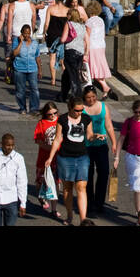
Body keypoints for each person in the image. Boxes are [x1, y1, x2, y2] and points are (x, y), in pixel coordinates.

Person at [46, 96, 92, 225]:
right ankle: (70, 215)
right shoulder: (62, 119)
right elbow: (57, 139)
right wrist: (50, 157)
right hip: (66, 157)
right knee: (67, 188)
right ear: (70, 108)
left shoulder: (86, 119)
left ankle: (83, 219)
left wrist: (94, 136)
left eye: (81, 110)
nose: (79, 113)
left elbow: (89, 135)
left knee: (81, 187)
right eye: (77, 110)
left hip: (82, 157)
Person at [81, 84, 117, 216]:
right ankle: (90, 203)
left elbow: (108, 125)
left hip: (101, 145)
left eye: (93, 97)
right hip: (86, 146)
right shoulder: (82, 108)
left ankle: (99, 203)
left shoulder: (103, 107)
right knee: (88, 175)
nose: (91, 100)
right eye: (88, 97)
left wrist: (113, 143)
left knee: (103, 172)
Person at [10, 24, 43, 115]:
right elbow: (14, 54)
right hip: (20, 69)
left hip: (32, 69)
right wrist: (20, 42)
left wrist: (40, 70)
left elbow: (37, 57)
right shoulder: (16, 41)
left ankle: (34, 108)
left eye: (28, 33)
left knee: (34, 89)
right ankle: (22, 108)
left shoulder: (35, 43)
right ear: (21, 33)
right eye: (25, 33)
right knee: (20, 90)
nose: (27, 35)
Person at [84, 0, 111, 97]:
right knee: (99, 66)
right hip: (101, 45)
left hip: (93, 46)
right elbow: (103, 34)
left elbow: (87, 36)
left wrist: (85, 51)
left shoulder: (89, 22)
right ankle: (105, 88)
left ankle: (105, 87)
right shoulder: (101, 20)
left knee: (92, 68)